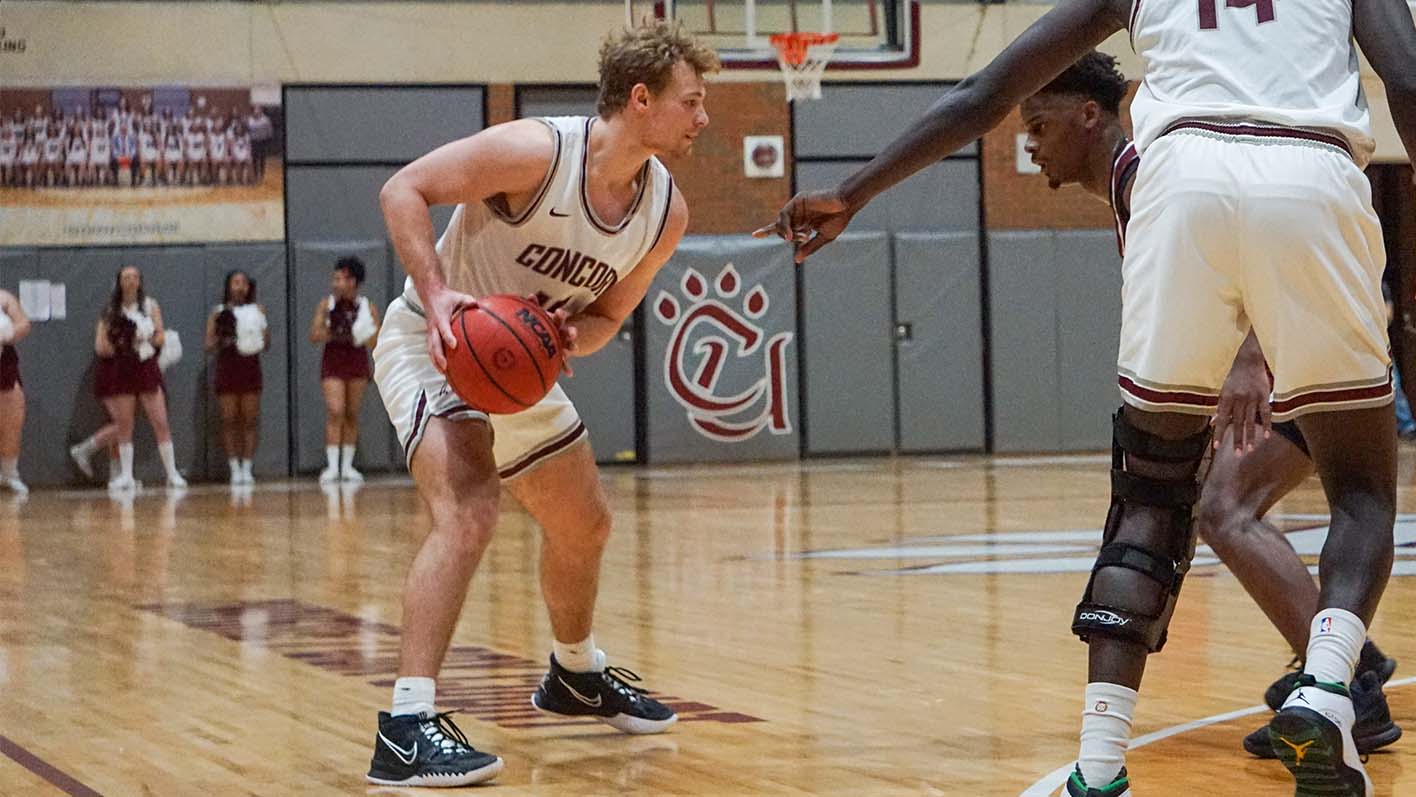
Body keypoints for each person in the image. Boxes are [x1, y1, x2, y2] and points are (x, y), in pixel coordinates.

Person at [759, 2, 1416, 794]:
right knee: (1362, 493)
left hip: (1186, 179)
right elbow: (1407, 78)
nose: (1033, 147)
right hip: (1314, 178)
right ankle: (1332, 683)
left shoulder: (1138, 132)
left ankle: (1101, 765)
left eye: (1039, 133)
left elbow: (985, 91)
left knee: (1153, 497)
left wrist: (855, 191)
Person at [1018, 51, 1403, 764]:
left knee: (1226, 506)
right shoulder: (1139, 182)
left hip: (1299, 351)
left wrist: (1250, 356)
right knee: (1226, 505)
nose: (1032, 147)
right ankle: (1343, 666)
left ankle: (1352, 686)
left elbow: (1266, 254)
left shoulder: (1156, 174)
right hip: (1297, 343)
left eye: (1039, 126)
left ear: (1089, 114)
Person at [365, 20, 711, 787]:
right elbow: (403, 190)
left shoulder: (665, 213)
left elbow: (608, 319)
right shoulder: (535, 151)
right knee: (470, 508)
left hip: (517, 363)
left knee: (584, 521)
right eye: (691, 101)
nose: (703, 116)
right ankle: (405, 725)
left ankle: (574, 674)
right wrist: (440, 294)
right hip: (437, 342)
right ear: (642, 99)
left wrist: (564, 338)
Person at [70, 265, 187, 491]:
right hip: (121, 368)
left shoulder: (150, 305)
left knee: (160, 421)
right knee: (125, 424)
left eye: (135, 277)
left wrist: (147, 339)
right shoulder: (110, 310)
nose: (131, 281)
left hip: (146, 366)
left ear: (140, 281)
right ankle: (125, 475)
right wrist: (124, 343)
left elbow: (161, 336)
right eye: (126, 277)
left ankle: (172, 473)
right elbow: (102, 346)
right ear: (119, 282)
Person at [308, 257, 379, 484]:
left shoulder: (367, 307)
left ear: (353, 281)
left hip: (357, 361)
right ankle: (332, 467)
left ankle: (347, 466)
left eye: (340, 278)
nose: (335, 283)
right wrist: (336, 330)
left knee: (351, 413)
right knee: (335, 410)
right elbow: (314, 335)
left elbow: (377, 340)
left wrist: (358, 334)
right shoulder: (326, 305)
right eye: (335, 278)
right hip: (333, 361)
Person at [206, 270, 268, 485]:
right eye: (235, 282)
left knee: (249, 420)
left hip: (250, 367)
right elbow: (208, 345)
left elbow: (266, 343)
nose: (240, 287)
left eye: (243, 282)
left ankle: (247, 467)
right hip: (227, 368)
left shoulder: (257, 310)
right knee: (229, 419)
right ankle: (234, 468)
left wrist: (256, 330)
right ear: (228, 287)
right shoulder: (218, 312)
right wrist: (223, 336)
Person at [0, 288, 31, 495]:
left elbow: (24, 324)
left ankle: (9, 474)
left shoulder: (4, 298)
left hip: (3, 365)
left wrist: (7, 334)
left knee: (12, 418)